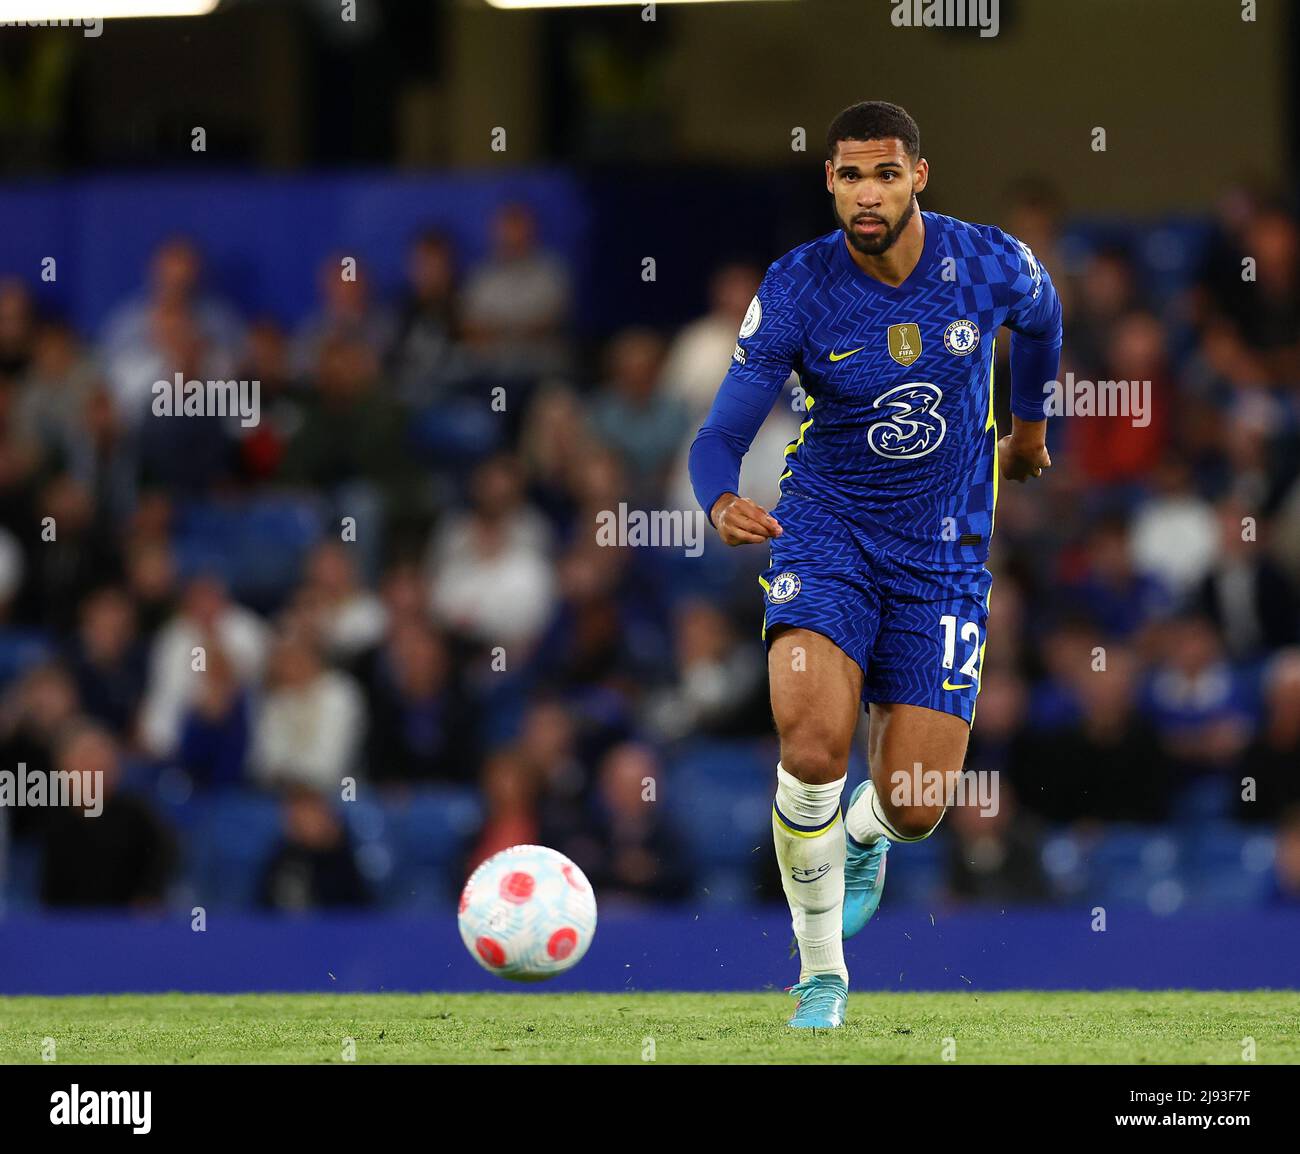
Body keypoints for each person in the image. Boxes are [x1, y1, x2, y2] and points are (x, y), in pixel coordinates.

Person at [688, 102, 1062, 1028]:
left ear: (918, 178)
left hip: (946, 555)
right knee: (811, 743)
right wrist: (719, 498)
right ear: (830, 181)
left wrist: (1029, 431)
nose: (868, 193)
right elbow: (722, 430)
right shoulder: (799, 285)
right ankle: (822, 973)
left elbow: (1045, 321)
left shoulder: (986, 261)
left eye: (885, 173)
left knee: (920, 803)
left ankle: (866, 835)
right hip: (827, 532)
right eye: (850, 175)